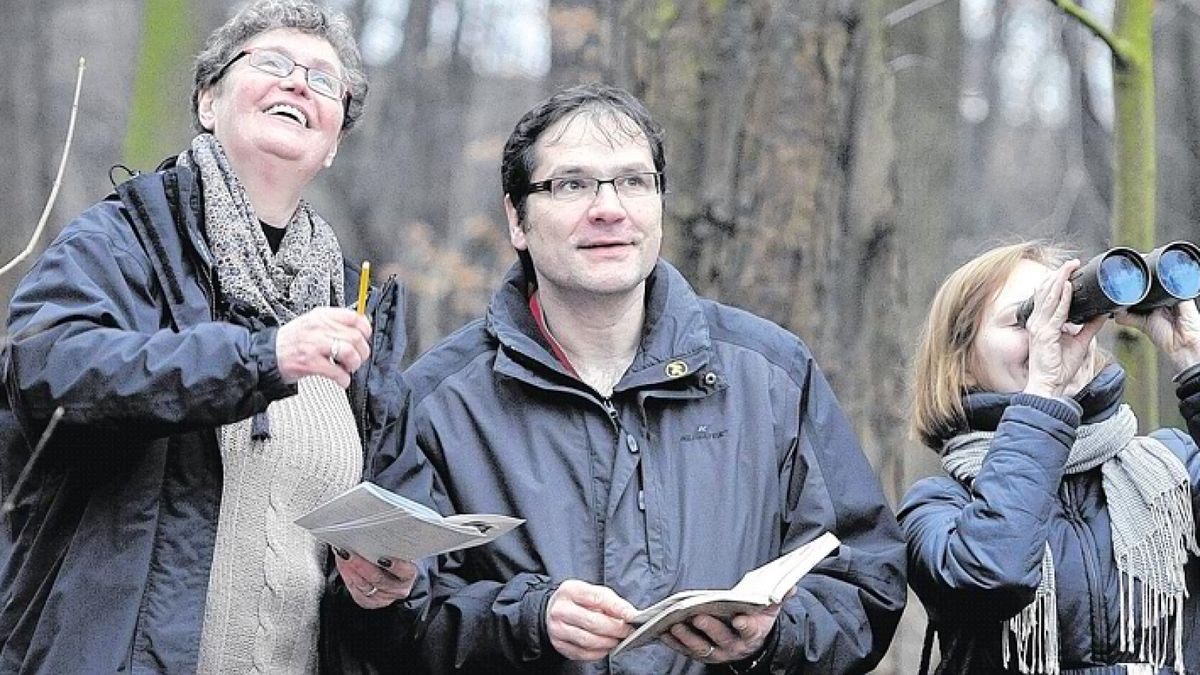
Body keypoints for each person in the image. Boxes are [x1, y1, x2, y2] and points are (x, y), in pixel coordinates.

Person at [373, 83, 907, 674]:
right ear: (517, 218)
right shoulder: (437, 403)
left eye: (633, 181)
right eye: (572, 184)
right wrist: (526, 622)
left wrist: (771, 638)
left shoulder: (772, 375)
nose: (609, 208)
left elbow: (865, 583)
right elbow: (387, 623)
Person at [0, 1, 418, 672]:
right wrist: (260, 357)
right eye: (274, 63)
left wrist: (382, 584)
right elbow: (45, 370)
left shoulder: (354, 305)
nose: (296, 83)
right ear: (207, 100)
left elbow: (388, 506)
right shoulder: (124, 240)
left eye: (322, 79)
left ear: (335, 138)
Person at [899, 241, 1200, 674]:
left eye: (1065, 310)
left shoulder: (1172, 468)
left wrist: (1192, 360)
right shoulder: (938, 507)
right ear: (962, 363)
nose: (1052, 332)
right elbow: (992, 575)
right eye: (1027, 318)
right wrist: (1044, 392)